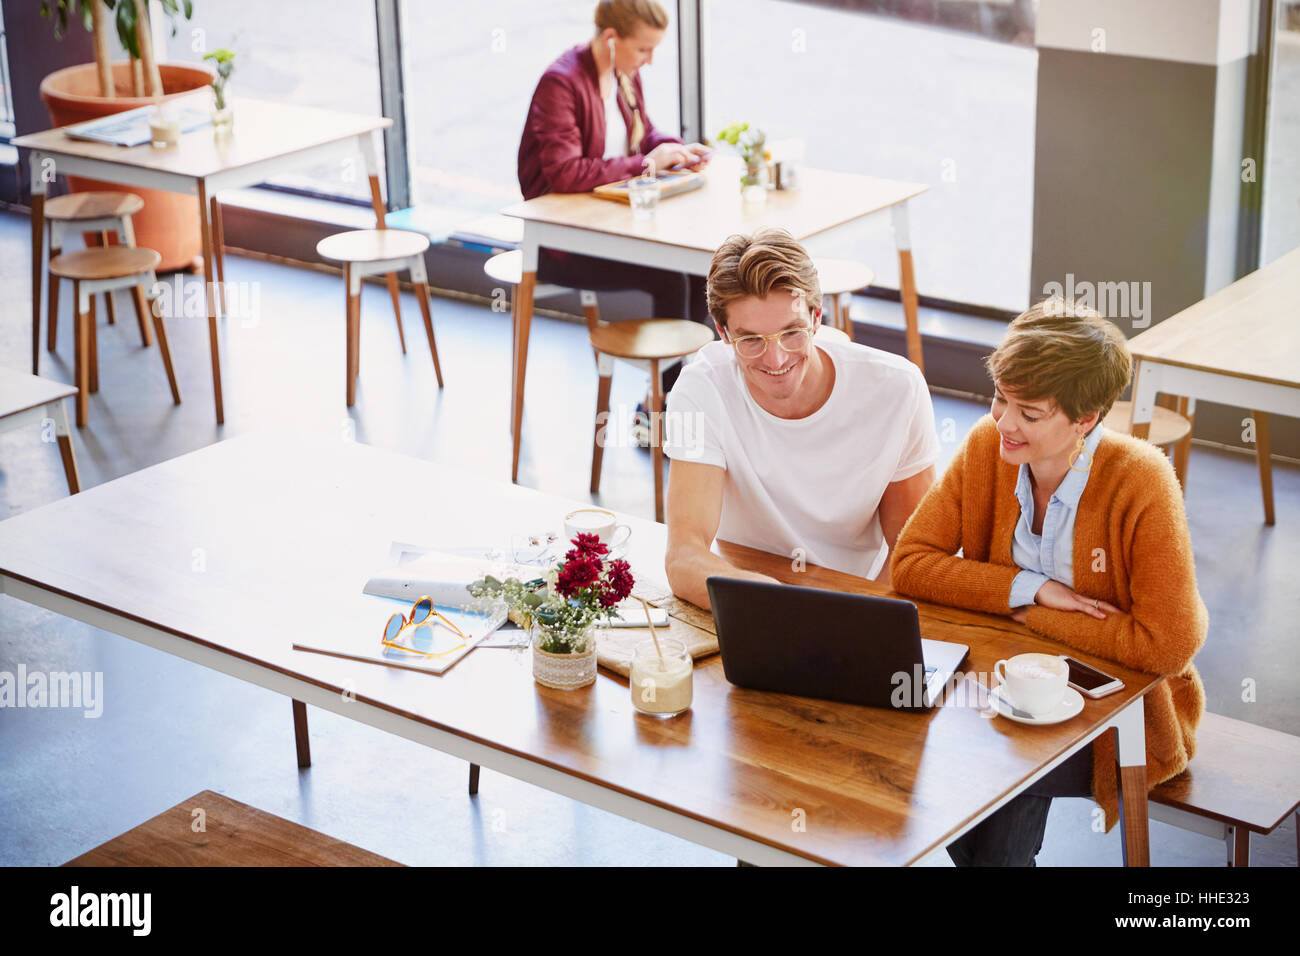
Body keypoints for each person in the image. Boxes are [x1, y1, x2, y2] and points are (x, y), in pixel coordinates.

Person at [890, 298, 1207, 866]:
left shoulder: (1142, 481)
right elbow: (911, 562)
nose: (1004, 423)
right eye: (1000, 399)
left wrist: (1028, 613)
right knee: (924, 736)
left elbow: (1168, 644)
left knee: (998, 771)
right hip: (996, 688)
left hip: (1117, 714)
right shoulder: (989, 448)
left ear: (1085, 420)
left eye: (1030, 414)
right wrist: (1030, 587)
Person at [663, 228, 940, 610]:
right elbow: (684, 557)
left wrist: (859, 618)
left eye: (792, 332)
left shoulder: (897, 389)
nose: (776, 360)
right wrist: (780, 605)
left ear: (816, 317)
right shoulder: (700, 391)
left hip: (857, 598)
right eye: (751, 340)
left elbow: (912, 554)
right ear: (722, 332)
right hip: (748, 595)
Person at [518, 0, 713, 438]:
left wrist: (677, 150)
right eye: (643, 49)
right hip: (561, 244)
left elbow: (643, 135)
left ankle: (673, 397)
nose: (650, 60)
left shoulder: (623, 74)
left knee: (702, 271)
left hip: (605, 225)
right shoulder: (561, 83)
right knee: (671, 277)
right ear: (611, 39)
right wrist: (647, 164)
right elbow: (565, 173)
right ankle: (660, 414)